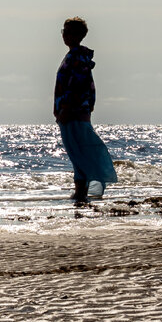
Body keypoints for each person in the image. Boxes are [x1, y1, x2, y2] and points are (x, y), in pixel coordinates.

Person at [54, 17, 117, 205]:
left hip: (73, 113)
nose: (64, 35)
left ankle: (81, 192)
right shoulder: (76, 55)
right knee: (78, 152)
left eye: (67, 31)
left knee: (78, 152)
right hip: (75, 112)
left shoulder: (77, 57)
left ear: (77, 35)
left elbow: (77, 85)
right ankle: (80, 191)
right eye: (63, 31)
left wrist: (65, 108)